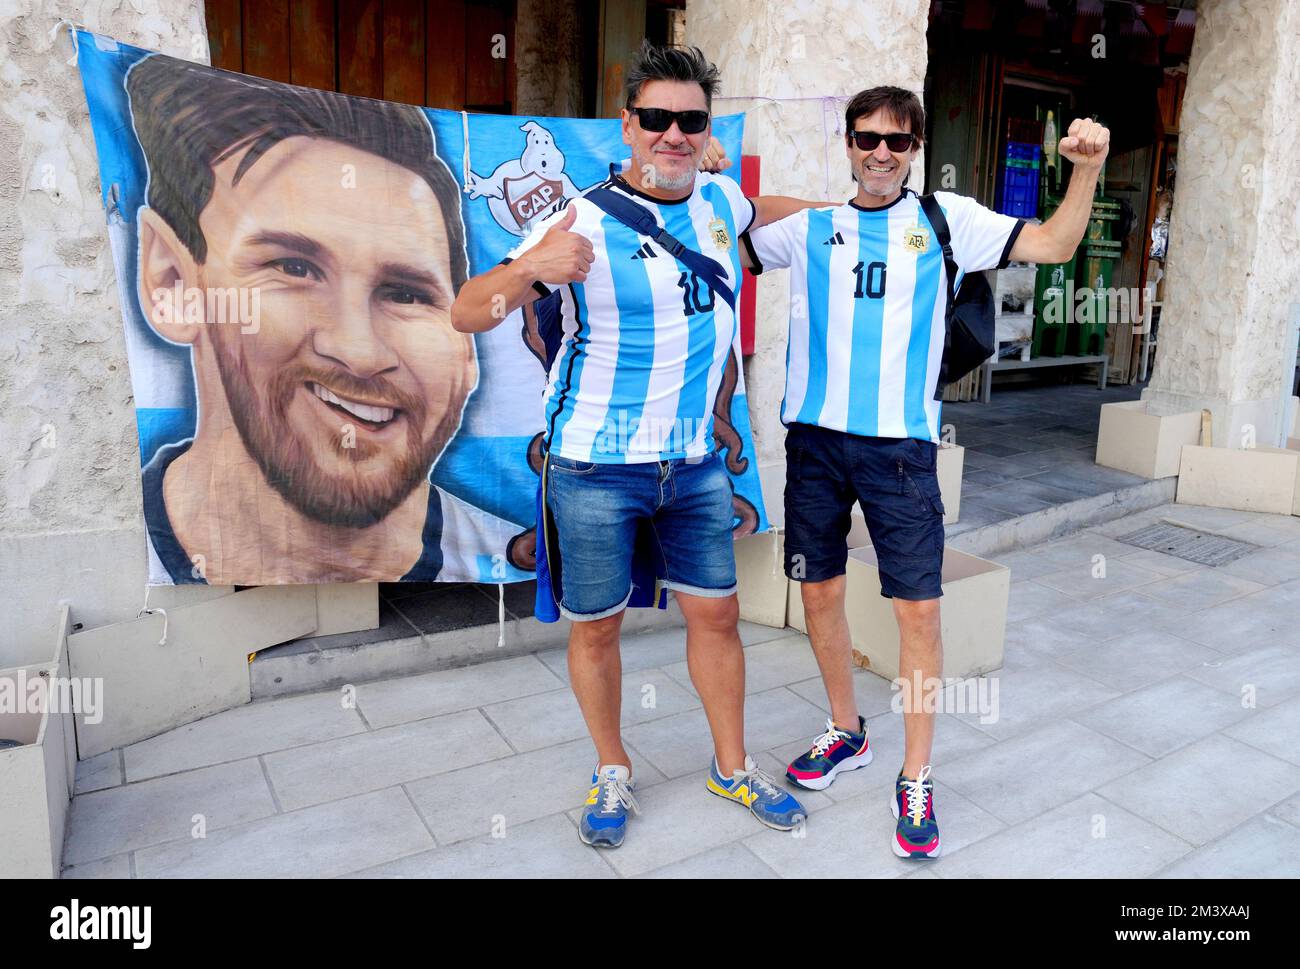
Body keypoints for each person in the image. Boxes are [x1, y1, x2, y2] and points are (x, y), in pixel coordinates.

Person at [452, 42, 824, 849]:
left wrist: (878, 206)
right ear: (628, 125)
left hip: (691, 466)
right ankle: (612, 766)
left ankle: (731, 764)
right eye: (656, 118)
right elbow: (468, 312)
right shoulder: (580, 217)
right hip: (592, 466)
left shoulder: (725, 203)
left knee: (718, 618)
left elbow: (813, 219)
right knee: (596, 628)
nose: (673, 134)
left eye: (690, 120)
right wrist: (533, 267)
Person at [741, 86, 1109, 858]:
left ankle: (916, 773)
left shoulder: (947, 220)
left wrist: (1086, 171)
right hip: (812, 443)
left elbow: (1053, 246)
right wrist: (710, 165)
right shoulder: (808, 229)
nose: (881, 151)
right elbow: (727, 226)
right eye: (868, 138)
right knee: (819, 592)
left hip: (900, 452)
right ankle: (847, 728)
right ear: (848, 143)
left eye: (898, 142)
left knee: (917, 612)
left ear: (915, 150)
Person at [126, 54, 518, 585]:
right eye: (293, 268)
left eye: (406, 293)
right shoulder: (124, 551)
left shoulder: (512, 549)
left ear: (467, 352)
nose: (359, 352)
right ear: (172, 282)